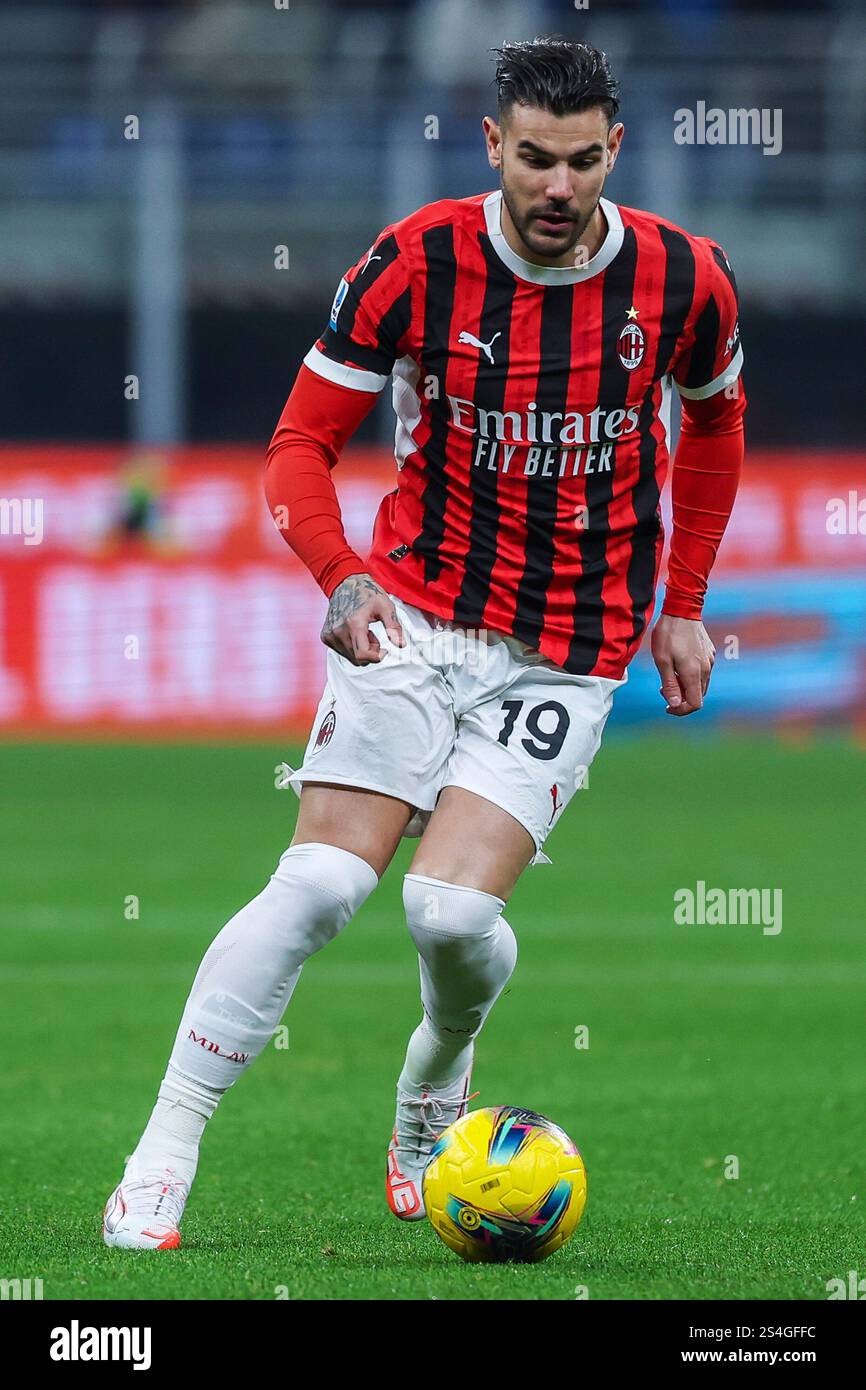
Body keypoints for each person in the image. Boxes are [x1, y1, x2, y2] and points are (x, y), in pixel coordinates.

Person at [103, 37, 744, 1248]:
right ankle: (163, 1150)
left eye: (585, 162)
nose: (559, 189)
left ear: (615, 151)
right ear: (492, 144)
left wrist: (685, 599)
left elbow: (713, 425)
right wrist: (338, 578)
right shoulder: (415, 261)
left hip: (568, 647)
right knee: (322, 883)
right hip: (413, 609)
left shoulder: (683, 277)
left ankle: (431, 1088)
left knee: (449, 916)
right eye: (536, 160)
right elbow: (299, 445)